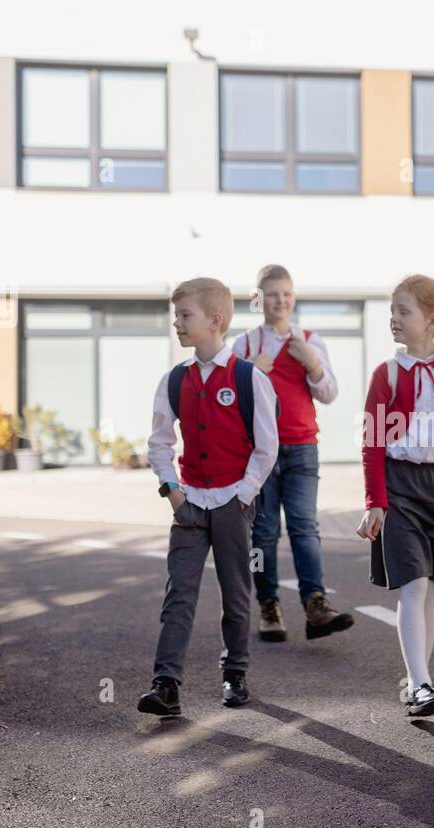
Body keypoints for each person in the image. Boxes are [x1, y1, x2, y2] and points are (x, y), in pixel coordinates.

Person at [139, 278, 279, 715]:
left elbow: (266, 446)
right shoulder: (174, 381)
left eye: (185, 316)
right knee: (178, 592)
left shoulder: (248, 378)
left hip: (233, 503)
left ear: (214, 320)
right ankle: (166, 685)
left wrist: (243, 494)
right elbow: (159, 443)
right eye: (176, 315)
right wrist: (173, 492)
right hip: (190, 504)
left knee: (236, 592)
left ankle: (235, 674)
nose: (176, 323)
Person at [358, 275, 434, 716]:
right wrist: (374, 502)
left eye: (404, 312)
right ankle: (421, 684)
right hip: (399, 486)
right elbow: (372, 442)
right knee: (414, 582)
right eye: (392, 313)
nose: (394, 320)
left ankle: (418, 675)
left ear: (432, 320)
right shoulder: (386, 374)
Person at [232, 264, 355, 641]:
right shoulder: (245, 346)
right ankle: (269, 606)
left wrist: (312, 364)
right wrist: (252, 371)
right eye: (271, 294)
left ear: (293, 298)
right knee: (265, 533)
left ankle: (315, 604)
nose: (280, 300)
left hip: (302, 448)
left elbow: (330, 394)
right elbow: (227, 402)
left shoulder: (310, 341)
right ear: (258, 299)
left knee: (305, 528)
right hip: (260, 454)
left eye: (286, 293)